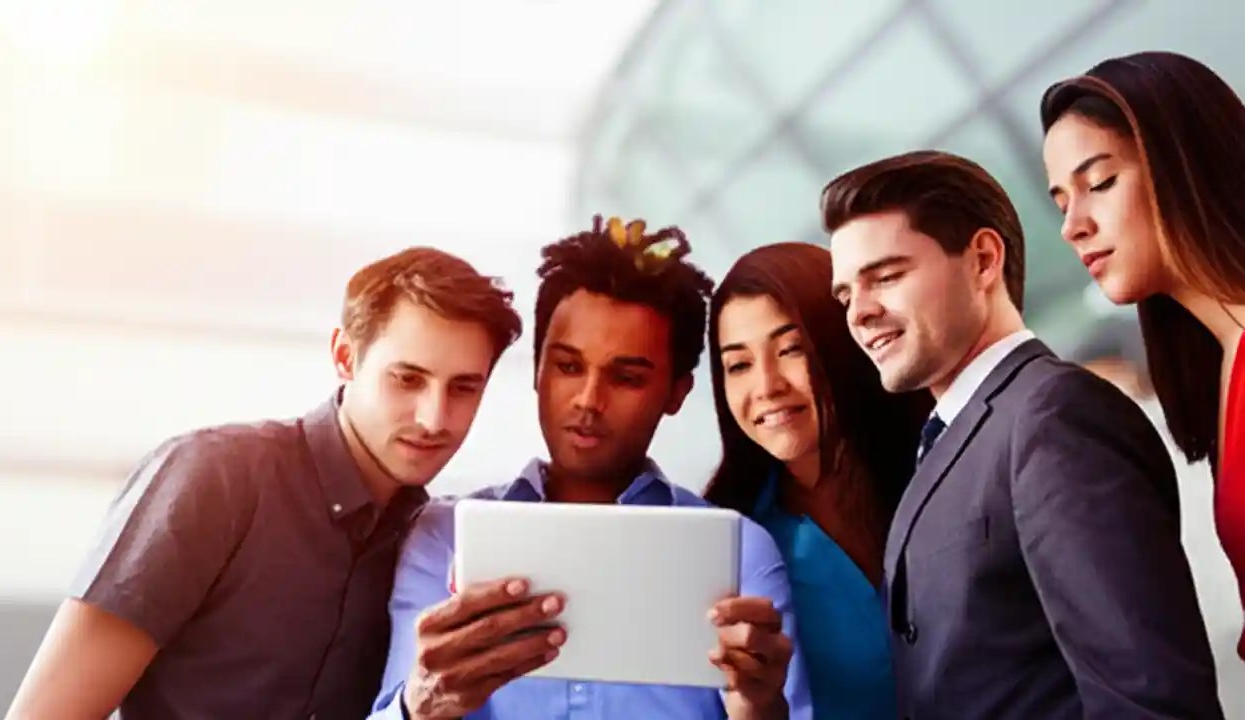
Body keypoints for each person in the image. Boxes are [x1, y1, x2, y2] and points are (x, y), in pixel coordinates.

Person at [4, 248, 523, 720]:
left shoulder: (426, 544)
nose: (435, 418)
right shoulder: (213, 478)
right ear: (345, 357)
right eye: (407, 379)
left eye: (463, 388)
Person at [822, 150, 1223, 719]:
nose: (859, 312)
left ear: (983, 260)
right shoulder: (956, 436)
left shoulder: (1053, 417)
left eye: (885, 277)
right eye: (845, 295)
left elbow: (1147, 697)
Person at [369, 216, 813, 720]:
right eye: (568, 366)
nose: (588, 400)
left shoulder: (740, 553)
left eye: (626, 377)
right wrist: (420, 703)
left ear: (677, 393)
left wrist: (758, 707)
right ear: (537, 370)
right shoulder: (443, 538)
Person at [1040, 49, 1245, 662]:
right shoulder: (1221, 367)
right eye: (1060, 201)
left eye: (1098, 182)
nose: (1072, 224)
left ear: (1185, 163)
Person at [705, 242, 928, 719]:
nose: (766, 386)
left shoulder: (942, 472)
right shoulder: (732, 546)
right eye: (738, 365)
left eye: (791, 349)